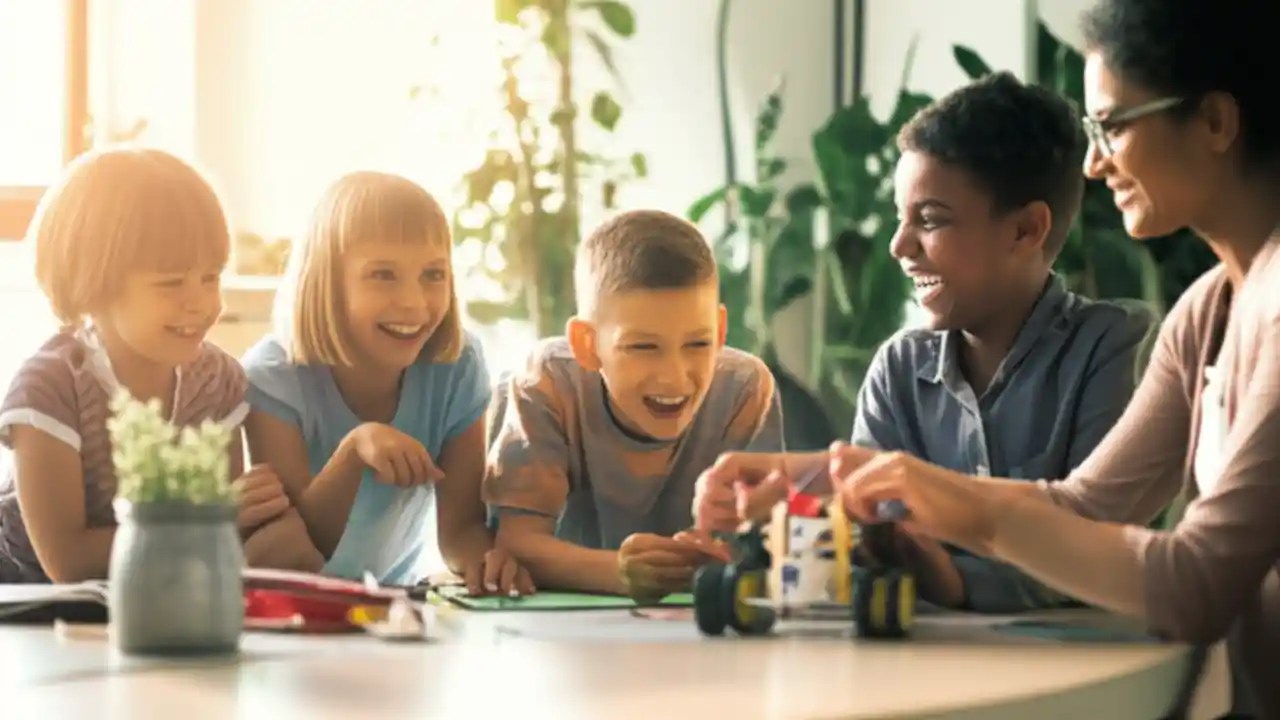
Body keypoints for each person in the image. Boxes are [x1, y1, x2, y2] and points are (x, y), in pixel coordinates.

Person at [706, 1, 1280, 715]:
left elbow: (1194, 585)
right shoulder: (1207, 310)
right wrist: (833, 474)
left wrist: (957, 520)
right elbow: (1082, 506)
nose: (1096, 162)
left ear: (1216, 123)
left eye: (1113, 126)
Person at [847, 71, 1153, 612]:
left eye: (931, 220)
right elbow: (870, 541)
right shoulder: (898, 370)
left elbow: (1100, 550)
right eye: (901, 218)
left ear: (1025, 231)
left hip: (1085, 679)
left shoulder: (1116, 348)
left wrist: (953, 581)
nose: (899, 245)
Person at [0, 147, 316, 582]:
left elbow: (218, 534)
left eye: (211, 277)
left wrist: (236, 516)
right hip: (31, 605)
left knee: (289, 542)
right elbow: (66, 563)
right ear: (94, 284)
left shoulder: (216, 381)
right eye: (171, 283)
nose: (202, 303)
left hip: (158, 590)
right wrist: (210, 517)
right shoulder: (51, 387)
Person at [242, 172, 529, 595]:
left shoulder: (456, 367)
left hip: (393, 603)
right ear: (327, 285)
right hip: (295, 607)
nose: (414, 303)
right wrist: (354, 451)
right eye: (382, 275)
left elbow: (460, 532)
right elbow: (290, 554)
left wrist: (488, 564)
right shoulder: (272, 377)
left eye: (433, 275)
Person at [485, 209, 781, 600]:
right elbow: (514, 543)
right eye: (642, 347)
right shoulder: (547, 384)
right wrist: (618, 573)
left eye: (698, 343)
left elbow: (767, 539)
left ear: (721, 330)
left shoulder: (745, 389)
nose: (675, 377)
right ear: (586, 345)